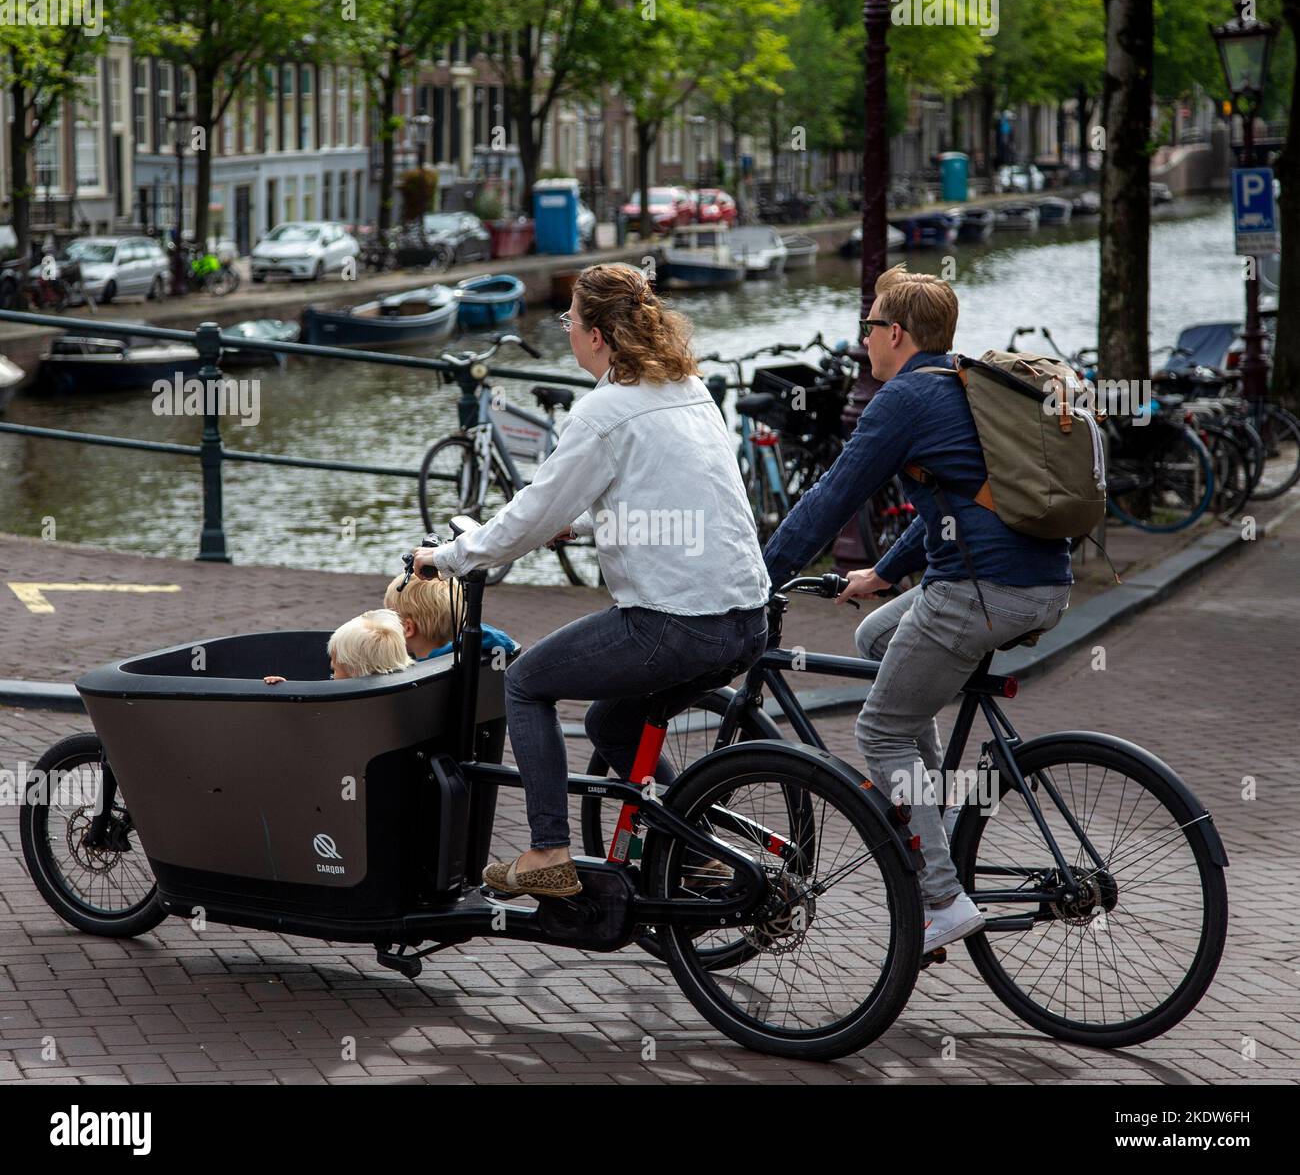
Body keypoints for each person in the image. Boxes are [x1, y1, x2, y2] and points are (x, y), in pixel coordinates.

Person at [415, 262, 769, 899]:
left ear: (598, 335)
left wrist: (451, 557)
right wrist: (576, 529)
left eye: (570, 321)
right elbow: (666, 510)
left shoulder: (601, 411)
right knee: (610, 724)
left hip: (675, 624)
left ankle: (548, 851)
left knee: (523, 684)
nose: (568, 331)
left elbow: (527, 512)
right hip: (745, 619)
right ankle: (691, 850)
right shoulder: (690, 388)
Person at [763, 263, 1073, 953]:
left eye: (869, 324)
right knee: (878, 637)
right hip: (1040, 581)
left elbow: (832, 497)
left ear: (895, 332)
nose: (864, 339)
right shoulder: (962, 380)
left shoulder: (903, 398)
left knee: (879, 734)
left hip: (983, 593)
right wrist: (882, 571)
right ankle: (922, 797)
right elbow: (957, 497)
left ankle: (939, 895)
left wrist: (762, 574)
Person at [383, 570, 519, 661]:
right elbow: (504, 642)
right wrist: (465, 633)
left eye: (388, 619)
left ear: (408, 628)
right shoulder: (467, 654)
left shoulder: (412, 677)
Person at [263, 609, 414, 683]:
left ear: (356, 672)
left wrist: (287, 694)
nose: (331, 672)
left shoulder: (343, 702)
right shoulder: (405, 683)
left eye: (335, 670)